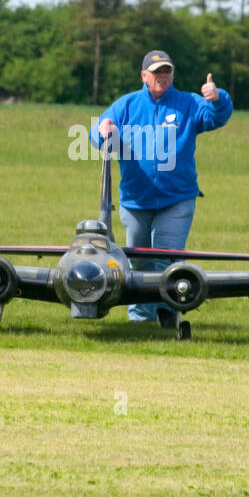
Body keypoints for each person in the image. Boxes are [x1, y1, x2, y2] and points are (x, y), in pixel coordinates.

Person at [93, 50, 233, 325]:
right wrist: (103, 128)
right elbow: (99, 132)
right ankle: (142, 319)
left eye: (166, 71)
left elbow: (215, 117)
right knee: (139, 262)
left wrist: (218, 98)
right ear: (144, 76)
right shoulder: (127, 105)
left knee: (165, 259)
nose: (162, 76)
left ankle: (166, 310)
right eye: (156, 71)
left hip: (177, 199)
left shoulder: (188, 103)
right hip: (135, 201)